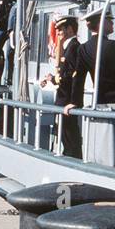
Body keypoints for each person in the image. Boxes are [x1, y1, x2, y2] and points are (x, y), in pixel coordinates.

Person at [73, 8, 115, 107]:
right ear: (101, 23)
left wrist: (75, 103)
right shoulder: (112, 46)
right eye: (109, 20)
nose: (112, 23)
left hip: (101, 102)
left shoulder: (83, 49)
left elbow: (78, 78)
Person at [38, 15, 82, 158]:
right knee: (66, 137)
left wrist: (54, 79)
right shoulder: (68, 47)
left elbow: (69, 76)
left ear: (69, 29)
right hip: (64, 99)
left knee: (70, 139)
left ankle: (74, 166)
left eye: (60, 30)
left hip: (67, 100)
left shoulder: (73, 47)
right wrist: (52, 78)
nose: (57, 33)